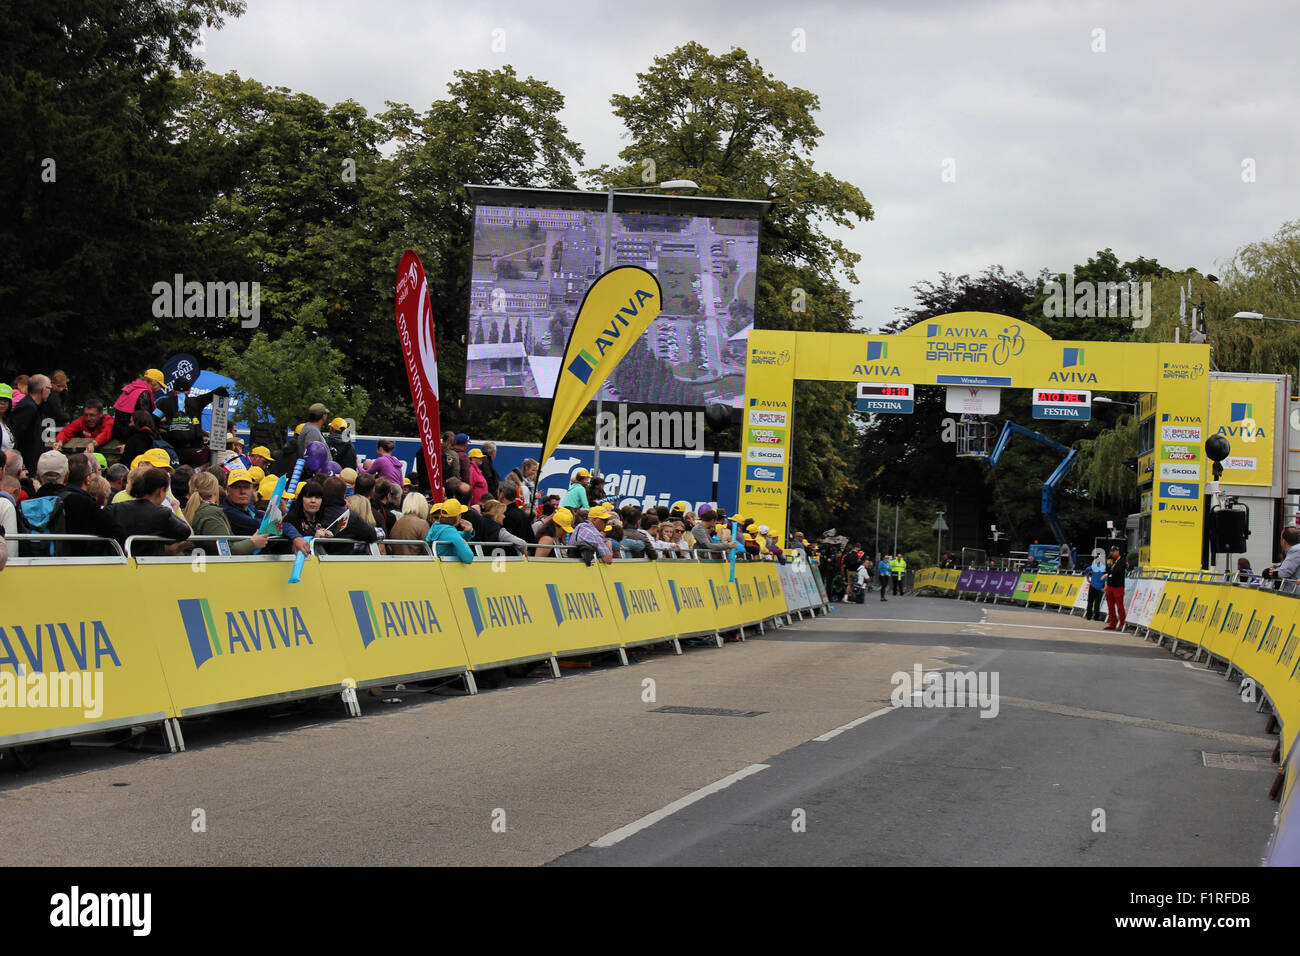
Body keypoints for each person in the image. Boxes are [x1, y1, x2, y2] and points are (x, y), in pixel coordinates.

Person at [108, 467, 191, 556]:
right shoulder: (162, 514)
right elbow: (185, 531)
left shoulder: (116, 508)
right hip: (148, 565)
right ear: (161, 491)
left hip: (117, 563)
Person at [183, 471, 269, 555]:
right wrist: (253, 543)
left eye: (246, 487)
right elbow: (225, 551)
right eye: (236, 487)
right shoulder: (212, 513)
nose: (242, 491)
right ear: (218, 491)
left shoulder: (189, 510)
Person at [157, 375, 224, 467]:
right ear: (189, 391)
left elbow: (153, 418)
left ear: (173, 391)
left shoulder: (165, 403)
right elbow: (218, 392)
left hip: (174, 451)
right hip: (195, 451)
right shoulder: (197, 401)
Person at [111, 369, 166, 444]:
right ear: (153, 382)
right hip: (130, 435)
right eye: (160, 385)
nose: (160, 389)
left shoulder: (132, 388)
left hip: (118, 432)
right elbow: (145, 418)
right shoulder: (144, 393)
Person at [10, 373, 51, 473]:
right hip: (25, 464)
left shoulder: (35, 407)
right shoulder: (28, 407)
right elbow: (17, 436)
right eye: (50, 388)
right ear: (43, 390)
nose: (50, 392)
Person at [425, 498, 475, 563]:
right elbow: (468, 558)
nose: (461, 516)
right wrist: (465, 544)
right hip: (447, 568)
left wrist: (467, 532)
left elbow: (455, 536)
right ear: (457, 517)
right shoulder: (449, 531)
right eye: (460, 514)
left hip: (438, 567)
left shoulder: (436, 527)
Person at [1102, 546, 1127, 630]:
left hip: (1118, 587)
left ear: (1117, 552)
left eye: (1113, 551)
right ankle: (1112, 623)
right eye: (1111, 552)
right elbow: (1107, 571)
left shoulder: (1122, 561)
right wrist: (1108, 565)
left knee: (1120, 606)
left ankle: (1123, 623)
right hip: (1110, 586)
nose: (1112, 553)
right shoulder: (1112, 560)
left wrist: (1108, 574)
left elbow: (1117, 571)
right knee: (1110, 606)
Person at [1085, 552, 1107, 621]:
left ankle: (1088, 616)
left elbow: (1087, 570)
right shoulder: (1105, 569)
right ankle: (1096, 617)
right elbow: (1106, 580)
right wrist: (1105, 588)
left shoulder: (1095, 566)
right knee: (1097, 602)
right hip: (1099, 588)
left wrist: (1087, 578)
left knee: (1090, 601)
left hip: (1092, 586)